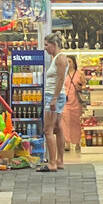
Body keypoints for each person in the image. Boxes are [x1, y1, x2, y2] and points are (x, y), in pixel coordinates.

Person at [39, 31, 68, 172]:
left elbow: (61, 79)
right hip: (55, 95)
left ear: (54, 44)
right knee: (57, 127)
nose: (45, 48)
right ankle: (59, 160)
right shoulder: (56, 58)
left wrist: (54, 98)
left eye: (46, 45)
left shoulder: (60, 59)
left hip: (54, 95)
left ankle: (52, 163)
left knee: (48, 130)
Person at [62, 55, 86, 153]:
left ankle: (77, 142)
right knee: (65, 122)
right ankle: (67, 142)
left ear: (74, 62)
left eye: (70, 61)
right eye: (66, 61)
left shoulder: (79, 73)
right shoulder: (63, 74)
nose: (68, 63)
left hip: (76, 100)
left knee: (76, 122)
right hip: (65, 101)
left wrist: (80, 87)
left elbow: (84, 85)